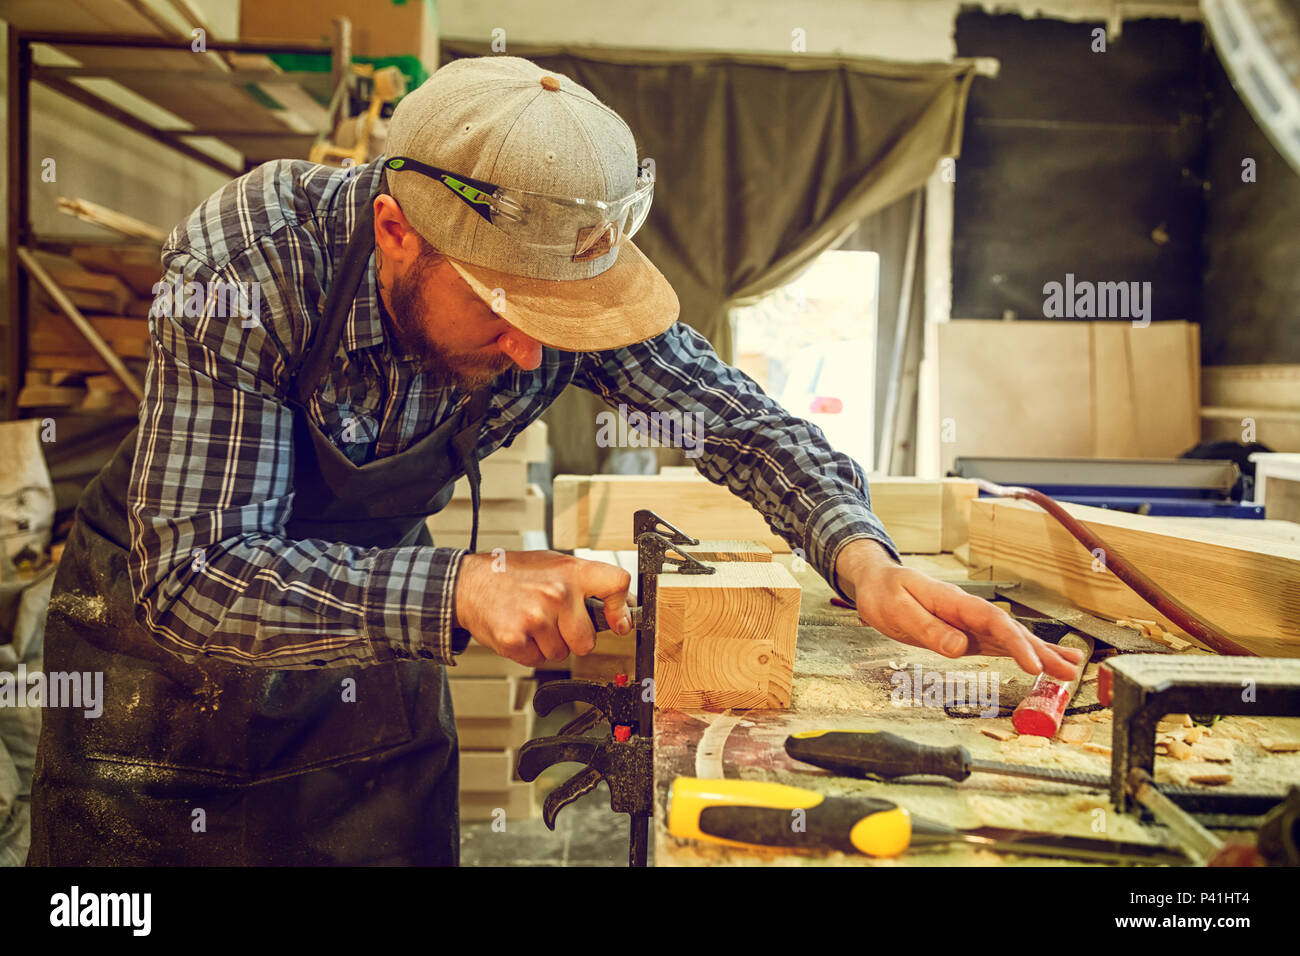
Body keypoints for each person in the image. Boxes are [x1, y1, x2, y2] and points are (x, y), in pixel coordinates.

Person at [28, 56, 1081, 866]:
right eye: (502, 309)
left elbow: (739, 422)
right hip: (161, 691)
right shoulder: (253, 261)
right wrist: (460, 583)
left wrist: (862, 559)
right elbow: (195, 573)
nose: (538, 353)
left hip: (369, 654)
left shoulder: (560, 258)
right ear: (396, 229)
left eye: (563, 317)